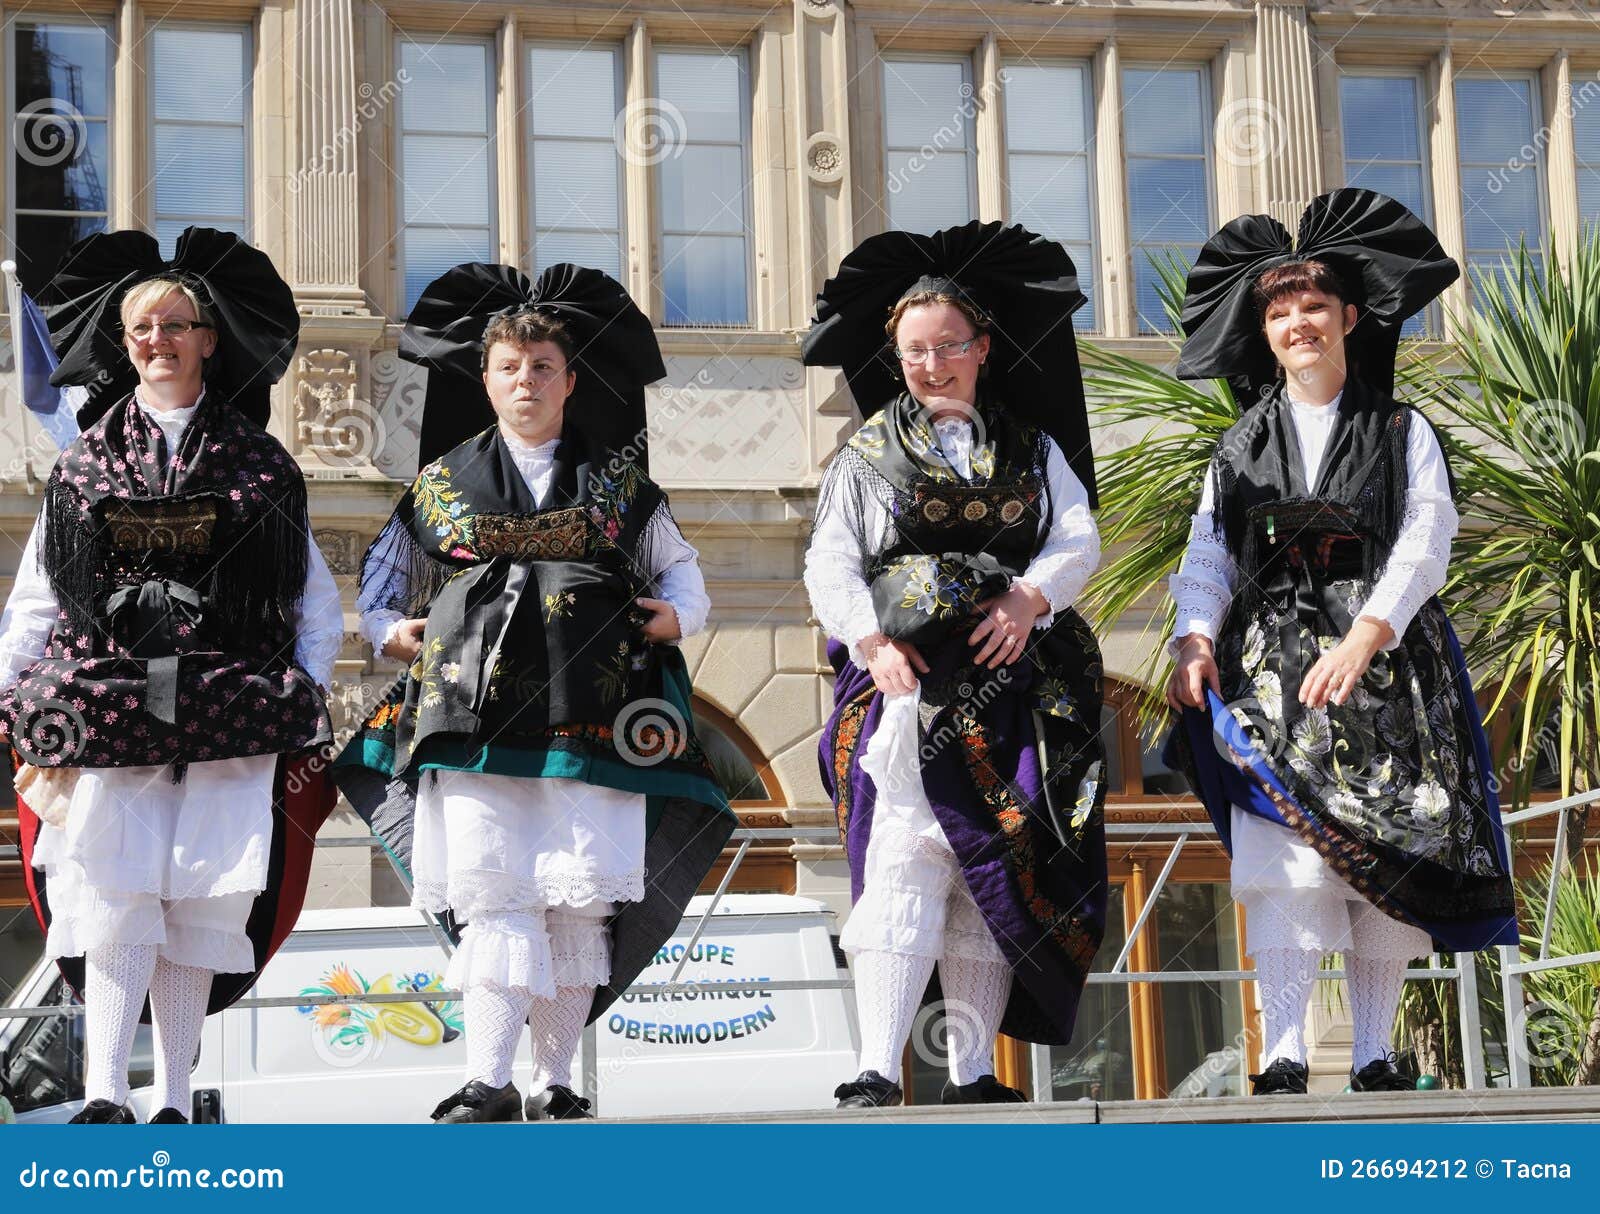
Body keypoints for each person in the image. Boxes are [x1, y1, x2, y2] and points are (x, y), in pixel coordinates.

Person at [334, 263, 734, 1123]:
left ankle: (554, 1083)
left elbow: (682, 571)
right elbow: (380, 584)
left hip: (595, 716)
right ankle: (488, 1080)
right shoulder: (439, 484)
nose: (526, 382)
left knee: (576, 903)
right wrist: (388, 630)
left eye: (542, 367)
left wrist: (679, 617)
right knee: (496, 895)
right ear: (485, 380)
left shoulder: (621, 484)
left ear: (570, 381)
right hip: (470, 717)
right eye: (510, 368)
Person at [1166, 189, 1518, 1094]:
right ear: (1265, 332)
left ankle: (1370, 1053)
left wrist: (1366, 635)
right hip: (1270, 678)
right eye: (1280, 313)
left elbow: (1427, 537)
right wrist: (1194, 639)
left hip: (1389, 674)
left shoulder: (1403, 430)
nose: (1299, 325)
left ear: (1350, 318)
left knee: (1391, 855)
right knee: (1284, 859)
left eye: (1314, 307)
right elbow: (1209, 553)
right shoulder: (1236, 448)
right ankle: (1283, 1051)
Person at [0, 227, 343, 1124]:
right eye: (142, 328)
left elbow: (311, 600)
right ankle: (105, 1092)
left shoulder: (261, 465)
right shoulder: (82, 465)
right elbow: (37, 597)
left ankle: (177, 1101)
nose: (158, 340)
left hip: (229, 713)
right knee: (115, 896)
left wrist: (305, 698)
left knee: (198, 901)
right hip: (110, 709)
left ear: (208, 340)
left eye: (175, 325)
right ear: (125, 344)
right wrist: (9, 695)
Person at [802, 222, 1107, 1108]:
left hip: (1012, 685)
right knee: (904, 860)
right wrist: (871, 641)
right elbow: (830, 561)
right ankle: (875, 1068)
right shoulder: (864, 456)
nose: (932, 366)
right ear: (895, 358)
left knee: (990, 872)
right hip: (910, 689)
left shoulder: (1033, 449)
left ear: (981, 348)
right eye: (914, 352)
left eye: (947, 347)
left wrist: (1029, 598)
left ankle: (972, 1074)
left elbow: (1077, 538)